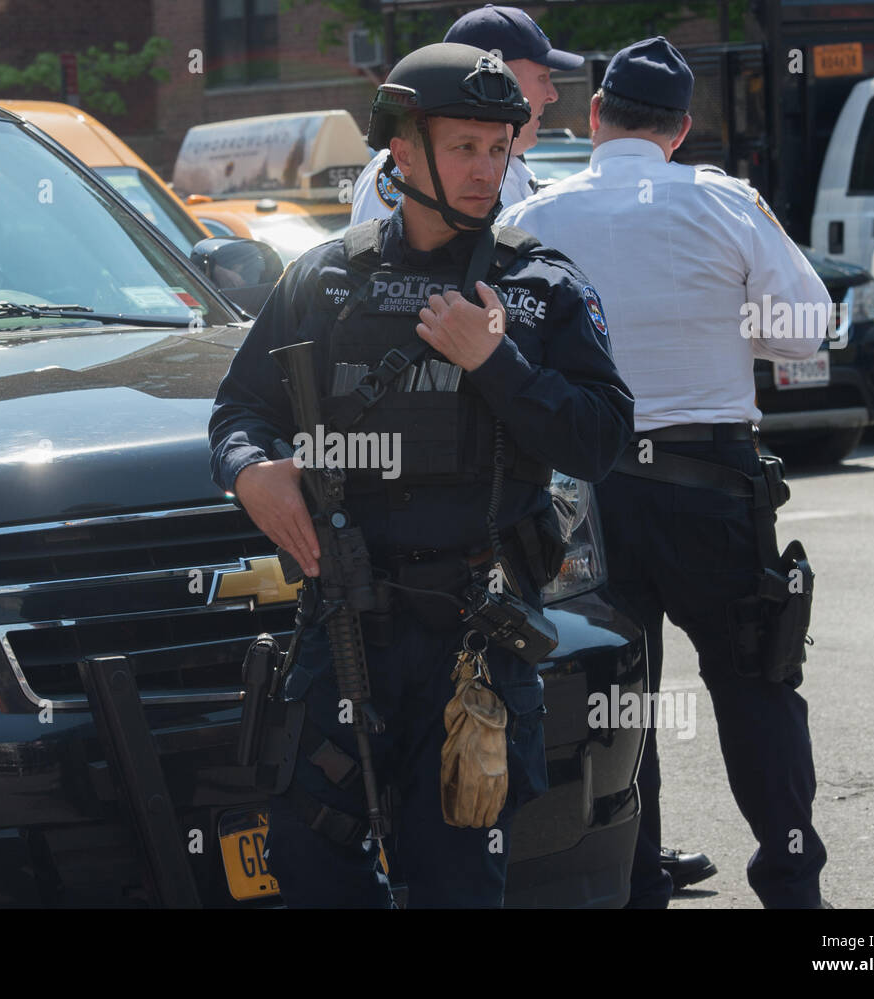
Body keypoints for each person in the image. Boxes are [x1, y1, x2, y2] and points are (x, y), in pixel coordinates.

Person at [210, 42, 634, 907]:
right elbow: (240, 413)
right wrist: (253, 472)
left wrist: (497, 362)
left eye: (498, 147)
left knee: (455, 875)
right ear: (401, 152)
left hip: (470, 642)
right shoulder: (325, 279)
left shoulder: (540, 286)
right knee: (309, 859)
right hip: (345, 629)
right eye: (463, 147)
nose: (488, 170)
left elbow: (601, 441)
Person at [500, 36, 830, 908]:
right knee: (755, 683)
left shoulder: (537, 215)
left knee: (615, 696)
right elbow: (804, 329)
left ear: (597, 116)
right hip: (711, 485)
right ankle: (793, 887)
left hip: (583, 493)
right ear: (682, 130)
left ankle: (632, 883)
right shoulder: (724, 203)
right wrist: (722, 324)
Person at [351, 3, 577, 225]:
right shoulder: (414, 166)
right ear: (499, 79)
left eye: (496, 149)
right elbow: (393, 259)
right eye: (543, 78)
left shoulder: (511, 168)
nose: (552, 95)